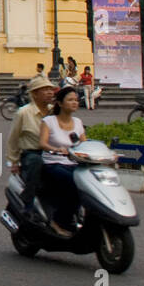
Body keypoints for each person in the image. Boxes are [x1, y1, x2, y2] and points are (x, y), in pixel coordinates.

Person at [6, 73, 55, 217]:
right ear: (34, 93)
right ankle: (27, 202)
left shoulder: (54, 111)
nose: (49, 92)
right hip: (32, 153)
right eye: (44, 89)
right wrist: (13, 161)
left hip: (53, 153)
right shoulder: (24, 112)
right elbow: (13, 139)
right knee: (36, 162)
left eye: (50, 89)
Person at [39, 85, 85, 236]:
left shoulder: (78, 122)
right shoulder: (49, 121)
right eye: (70, 100)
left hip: (73, 163)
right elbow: (43, 143)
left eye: (76, 100)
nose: (74, 103)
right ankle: (58, 220)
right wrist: (56, 149)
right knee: (73, 183)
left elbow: (85, 144)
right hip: (53, 163)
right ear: (59, 103)